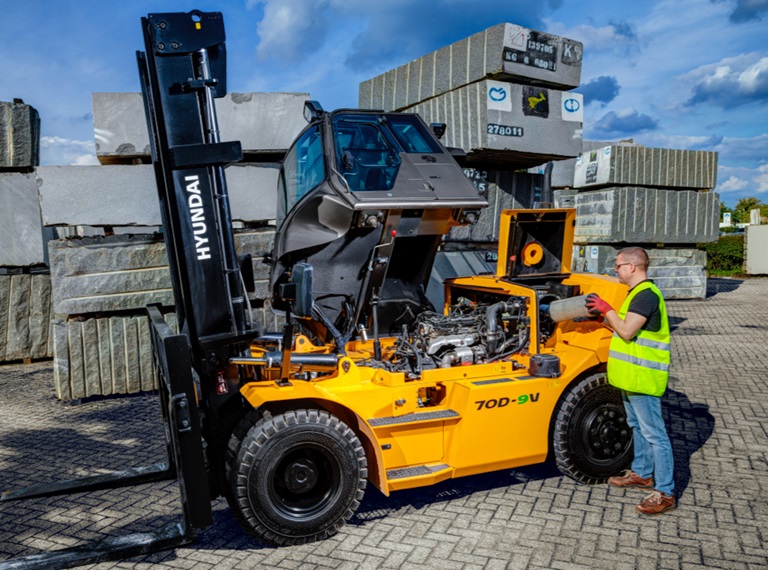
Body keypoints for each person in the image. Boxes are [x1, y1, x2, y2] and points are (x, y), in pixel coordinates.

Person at [585, 247, 675, 516]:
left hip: (643, 378)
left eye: (618, 265)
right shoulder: (636, 294)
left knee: (655, 435)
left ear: (632, 267)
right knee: (637, 425)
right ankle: (642, 474)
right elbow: (624, 329)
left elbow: (626, 331)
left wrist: (607, 309)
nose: (616, 269)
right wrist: (604, 318)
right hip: (630, 377)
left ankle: (665, 492)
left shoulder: (645, 295)